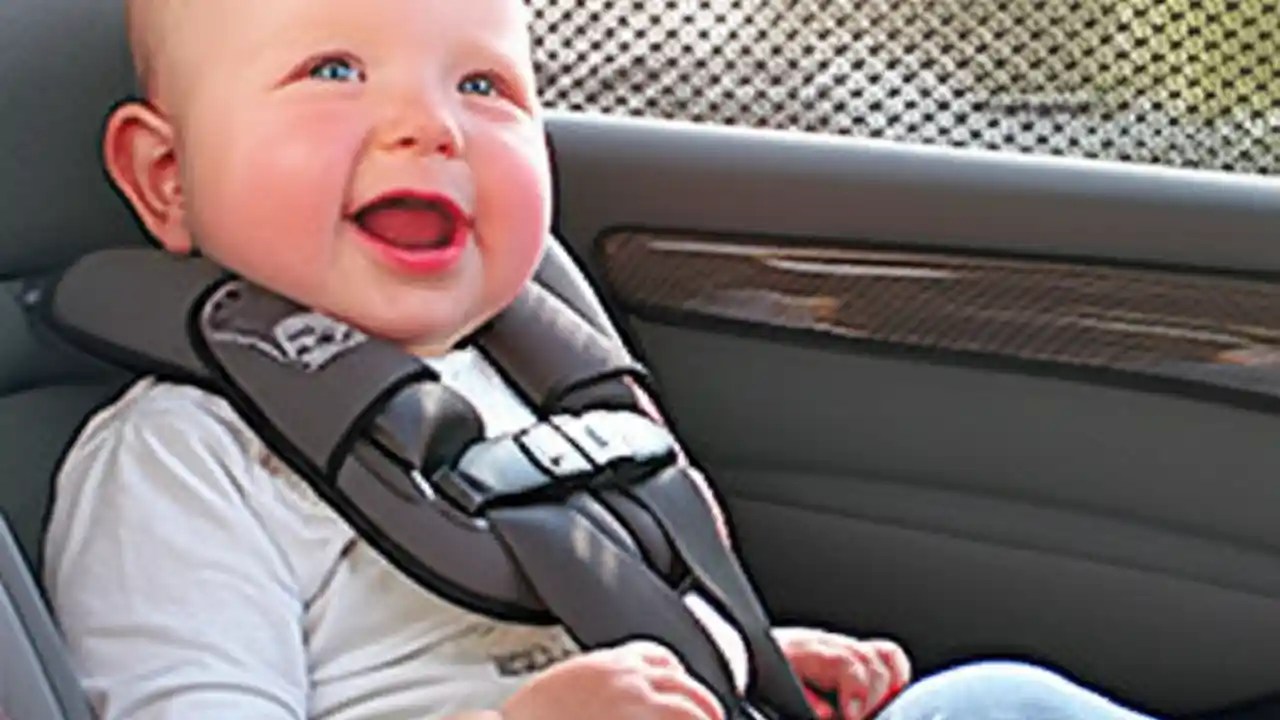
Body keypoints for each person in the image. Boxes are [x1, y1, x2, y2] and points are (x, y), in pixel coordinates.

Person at [41, 1, 1160, 719]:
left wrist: (738, 656)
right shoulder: (180, 460)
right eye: (334, 70)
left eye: (482, 87)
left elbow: (591, 601)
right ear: (165, 177)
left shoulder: (532, 377)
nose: (429, 127)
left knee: (998, 702)